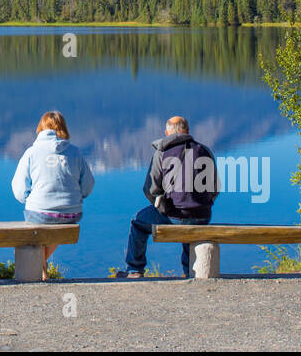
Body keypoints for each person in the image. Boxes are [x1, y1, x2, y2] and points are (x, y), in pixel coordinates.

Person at [118, 115, 219, 278]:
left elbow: (150, 189)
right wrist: (202, 203)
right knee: (191, 223)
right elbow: (215, 188)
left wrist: (160, 205)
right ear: (188, 131)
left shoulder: (162, 152)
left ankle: (134, 270)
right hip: (202, 216)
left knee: (137, 222)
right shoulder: (204, 151)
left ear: (166, 133)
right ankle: (188, 271)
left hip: (174, 215)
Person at [12, 110, 95, 280]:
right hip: (70, 213)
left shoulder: (31, 153)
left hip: (39, 212)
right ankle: (42, 268)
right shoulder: (75, 152)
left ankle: (40, 265)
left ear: (40, 128)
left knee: (41, 220)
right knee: (57, 220)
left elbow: (19, 188)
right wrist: (77, 198)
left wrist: (31, 200)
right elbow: (88, 185)